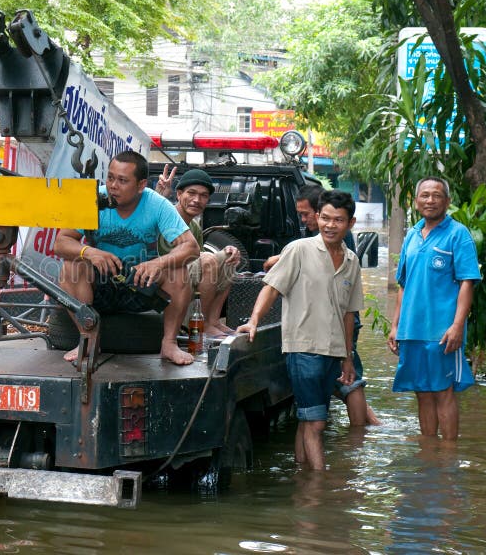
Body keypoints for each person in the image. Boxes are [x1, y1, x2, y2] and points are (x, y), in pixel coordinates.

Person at [237, 190, 363, 470]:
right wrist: (254, 319)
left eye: (338, 220)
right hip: (303, 348)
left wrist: (348, 357)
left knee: (309, 419)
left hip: (333, 351)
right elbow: (271, 287)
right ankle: (320, 482)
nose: (330, 225)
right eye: (325, 218)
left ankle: (301, 475)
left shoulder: (352, 261)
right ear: (317, 218)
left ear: (350, 224)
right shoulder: (299, 249)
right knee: (317, 421)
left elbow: (349, 314)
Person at [54, 150, 200, 365]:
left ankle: (169, 344)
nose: (113, 185)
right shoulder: (93, 199)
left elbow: (191, 248)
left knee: (178, 272)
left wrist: (159, 263)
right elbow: (61, 242)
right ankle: (88, 339)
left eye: (122, 180)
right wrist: (90, 252)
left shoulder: (157, 204)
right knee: (71, 267)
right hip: (99, 286)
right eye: (111, 177)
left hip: (139, 285)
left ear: (141, 185)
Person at [265, 184, 380, 427]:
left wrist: (279, 257)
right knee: (317, 414)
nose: (304, 219)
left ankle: (359, 439)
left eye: (306, 213)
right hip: (316, 332)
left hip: (337, 322)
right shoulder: (308, 242)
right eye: (319, 217)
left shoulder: (339, 244)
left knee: (350, 380)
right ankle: (362, 435)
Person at [387, 177, 480, 441]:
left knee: (443, 391)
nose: (430, 200)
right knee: (422, 392)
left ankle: (448, 459)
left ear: (447, 201)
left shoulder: (458, 234)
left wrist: (457, 325)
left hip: (442, 331)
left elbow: (467, 282)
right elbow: (403, 286)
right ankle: (429, 454)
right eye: (425, 195)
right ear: (416, 202)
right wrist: (395, 326)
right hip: (411, 330)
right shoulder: (412, 235)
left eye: (437, 195)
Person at [155, 166, 242, 337]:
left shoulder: (194, 227)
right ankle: (202, 324)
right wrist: (159, 197)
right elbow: (147, 220)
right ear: (179, 194)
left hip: (185, 272)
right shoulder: (165, 214)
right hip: (161, 273)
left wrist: (227, 252)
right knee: (208, 259)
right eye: (191, 193)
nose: (197, 200)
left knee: (229, 259)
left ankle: (213, 321)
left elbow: (199, 258)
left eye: (203, 196)